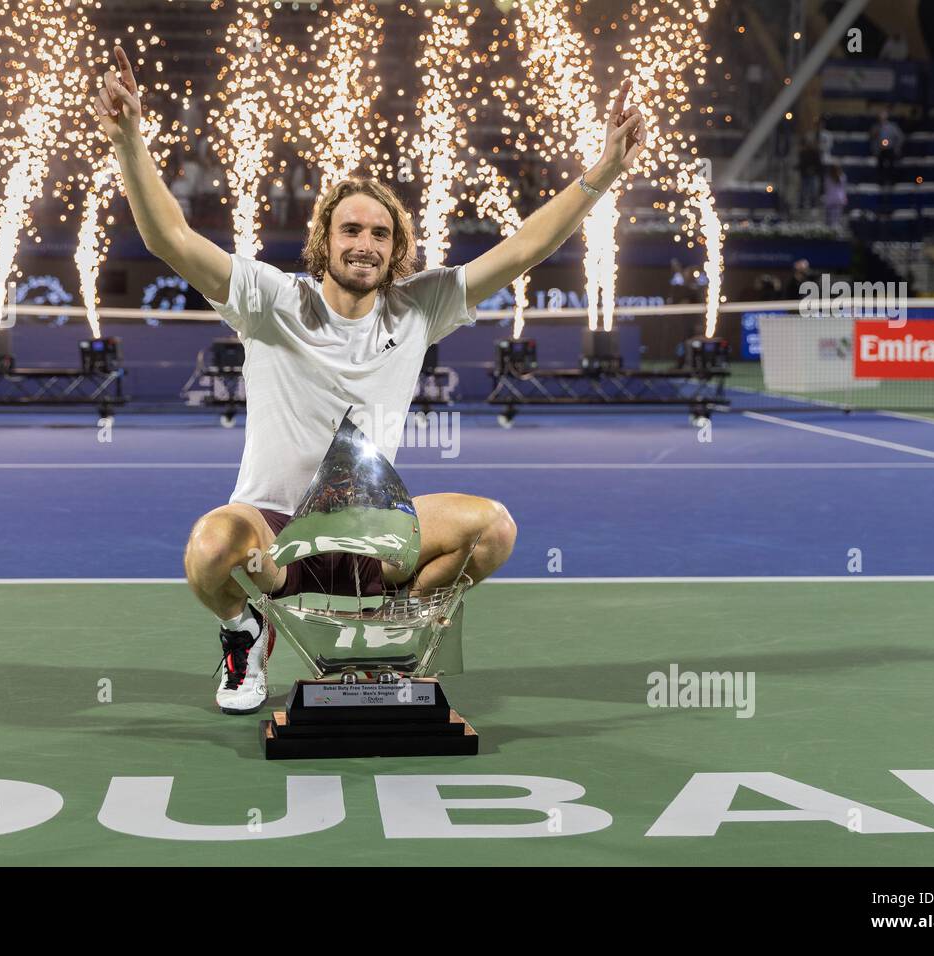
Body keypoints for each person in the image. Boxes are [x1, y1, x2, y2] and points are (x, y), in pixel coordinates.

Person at [90, 45, 645, 715]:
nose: (366, 244)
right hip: (273, 531)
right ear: (325, 239)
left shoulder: (419, 307)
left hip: (368, 536)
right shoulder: (271, 300)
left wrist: (608, 170)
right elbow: (169, 238)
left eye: (381, 234)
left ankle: (391, 630)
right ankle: (245, 632)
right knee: (210, 547)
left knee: (492, 529)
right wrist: (129, 144)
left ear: (394, 247)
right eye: (352, 229)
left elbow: (526, 246)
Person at [870, 110, 904, 190]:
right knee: (880, 166)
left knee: (892, 165)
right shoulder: (875, 127)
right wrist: (875, 150)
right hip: (880, 150)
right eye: (880, 116)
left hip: (890, 149)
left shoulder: (892, 126)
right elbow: (872, 139)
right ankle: (881, 182)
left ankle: (892, 182)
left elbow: (900, 137)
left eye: (883, 116)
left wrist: (897, 148)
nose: (881, 118)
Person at [822, 163, 847, 229]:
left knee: (830, 220)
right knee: (836, 219)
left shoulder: (827, 177)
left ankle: (831, 231)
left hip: (831, 199)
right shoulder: (842, 176)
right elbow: (843, 189)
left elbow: (826, 188)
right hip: (839, 199)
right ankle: (835, 230)